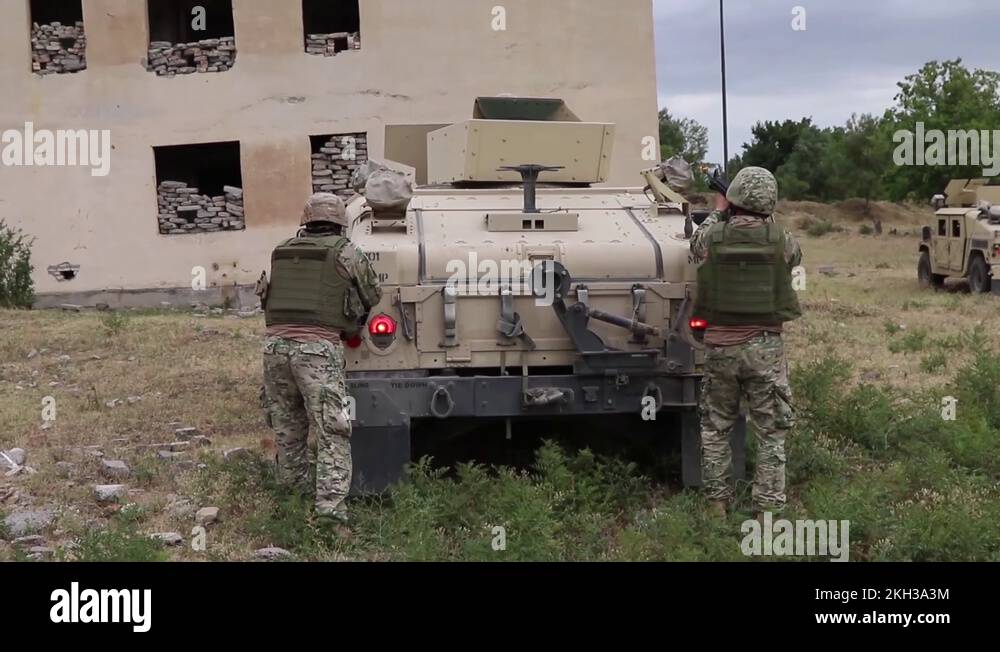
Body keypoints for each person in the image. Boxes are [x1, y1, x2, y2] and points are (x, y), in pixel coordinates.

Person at [259, 192, 382, 526]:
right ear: (341, 222)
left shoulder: (281, 250)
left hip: (274, 349)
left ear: (306, 220)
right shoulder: (346, 252)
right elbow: (373, 293)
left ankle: (292, 499)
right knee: (333, 430)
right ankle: (330, 512)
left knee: (288, 428)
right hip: (316, 350)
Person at [689, 167, 802, 517]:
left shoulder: (712, 236)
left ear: (732, 198)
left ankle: (717, 506)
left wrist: (720, 209)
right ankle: (767, 513)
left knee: (715, 428)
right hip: (765, 349)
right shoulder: (781, 238)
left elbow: (694, 246)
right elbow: (794, 257)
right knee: (770, 432)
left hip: (721, 348)